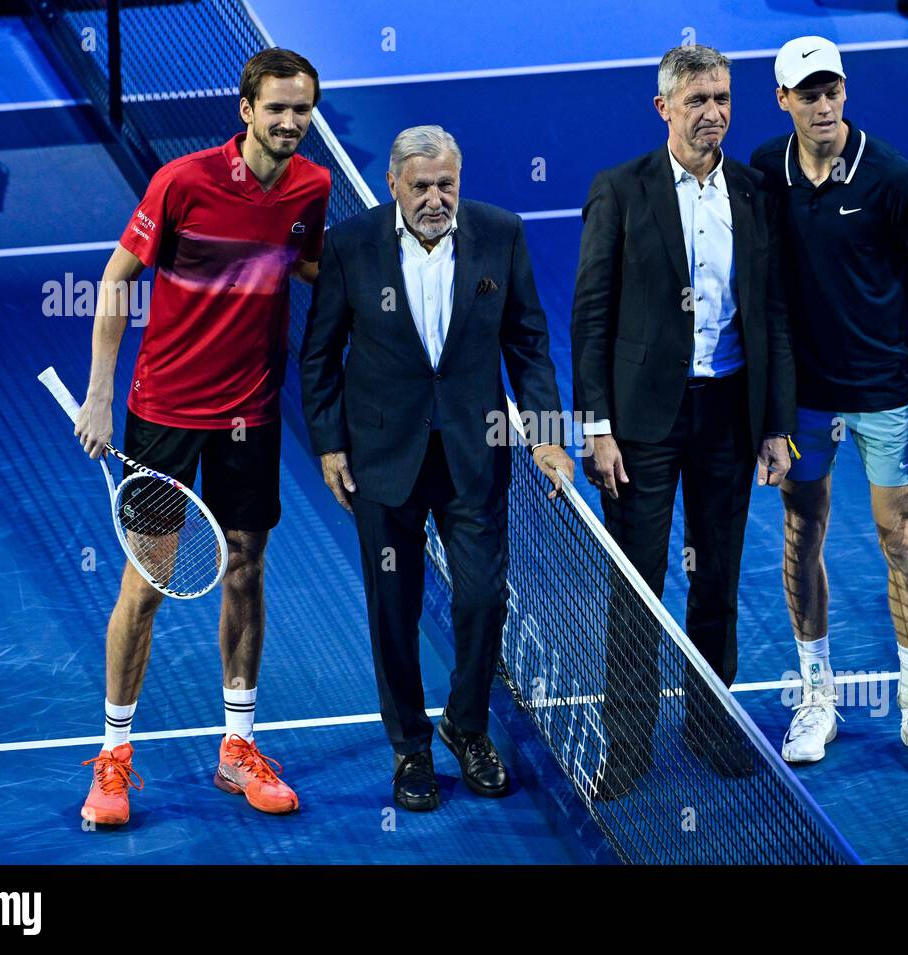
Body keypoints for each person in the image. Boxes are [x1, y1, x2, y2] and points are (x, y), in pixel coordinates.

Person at [74, 48, 331, 826]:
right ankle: (113, 760)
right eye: (277, 107)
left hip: (250, 414)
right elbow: (119, 275)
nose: (291, 122)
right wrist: (98, 396)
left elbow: (316, 268)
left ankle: (238, 747)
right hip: (166, 413)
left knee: (246, 568)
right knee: (144, 585)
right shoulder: (182, 183)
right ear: (245, 108)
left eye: (303, 109)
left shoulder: (313, 188)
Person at [300, 126, 574, 812]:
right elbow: (319, 354)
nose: (434, 198)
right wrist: (331, 447)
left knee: (483, 598)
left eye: (445, 184)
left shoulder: (499, 233)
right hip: (382, 463)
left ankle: (466, 723)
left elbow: (529, 343)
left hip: (472, 457)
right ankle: (410, 745)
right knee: (393, 606)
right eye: (420, 186)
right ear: (393, 183)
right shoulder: (350, 245)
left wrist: (545, 434)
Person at [750, 37, 908, 769]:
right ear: (783, 99)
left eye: (833, 91)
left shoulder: (890, 176)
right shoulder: (762, 171)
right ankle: (818, 696)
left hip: (884, 391)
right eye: (808, 94)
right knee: (802, 530)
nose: (824, 105)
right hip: (804, 395)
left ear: (845, 92)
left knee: (899, 534)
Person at [571, 45, 795, 797]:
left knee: (717, 578)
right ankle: (627, 745)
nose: (714, 113)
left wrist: (776, 422)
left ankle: (709, 723)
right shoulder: (620, 190)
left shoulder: (756, 191)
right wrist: (596, 426)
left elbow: (772, 314)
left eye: (724, 98)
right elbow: (592, 314)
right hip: (641, 423)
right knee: (637, 588)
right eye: (697, 100)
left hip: (728, 413)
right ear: (663, 107)